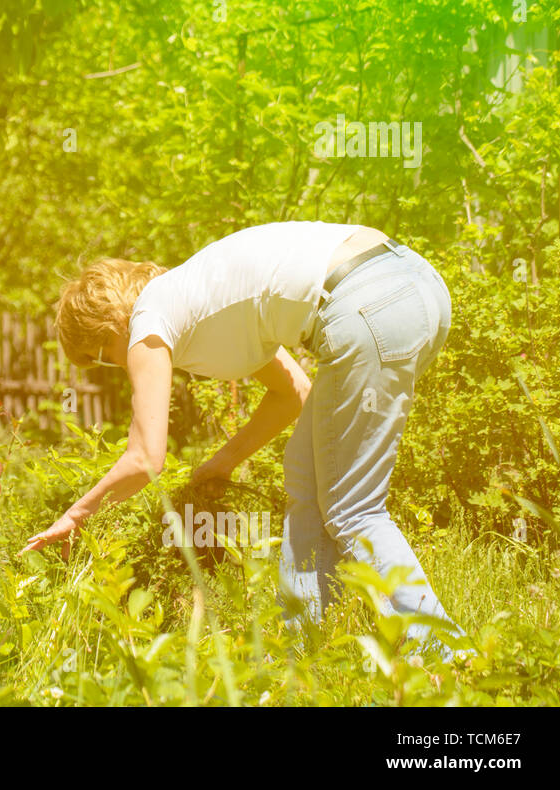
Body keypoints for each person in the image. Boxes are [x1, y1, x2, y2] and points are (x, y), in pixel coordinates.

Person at [25, 221, 466, 657]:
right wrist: (223, 462)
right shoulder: (200, 301)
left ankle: (446, 651)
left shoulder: (147, 317)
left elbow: (145, 458)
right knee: (308, 478)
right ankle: (301, 650)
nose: (112, 367)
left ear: (108, 324)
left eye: (99, 357)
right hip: (416, 288)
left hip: (365, 302)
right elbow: (292, 394)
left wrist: (75, 516)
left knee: (353, 507)